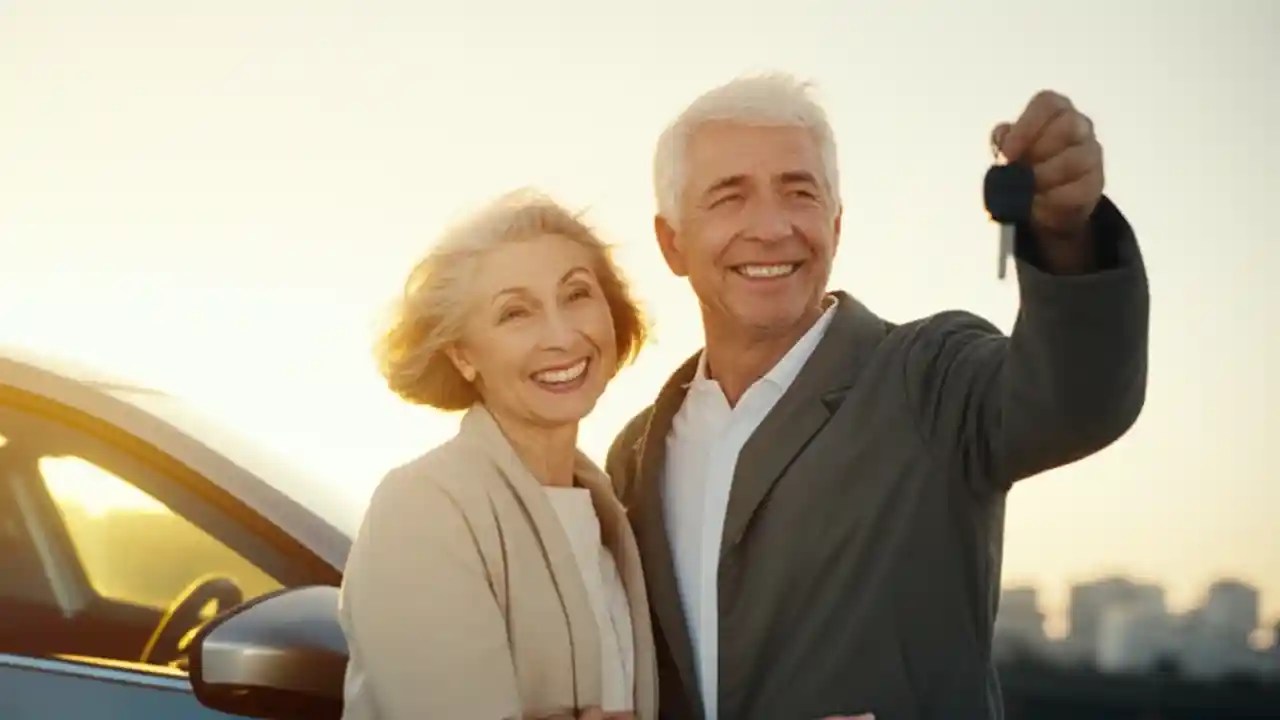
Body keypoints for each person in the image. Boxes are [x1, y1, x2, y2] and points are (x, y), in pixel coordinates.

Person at [606, 74, 1150, 719]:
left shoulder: (931, 377)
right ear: (673, 243)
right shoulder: (635, 455)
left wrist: (1067, 236)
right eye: (729, 198)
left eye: (799, 192)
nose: (772, 227)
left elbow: (1078, 400)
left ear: (835, 225)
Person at [339, 190, 657, 719]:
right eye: (515, 313)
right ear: (463, 355)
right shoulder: (422, 508)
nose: (561, 335)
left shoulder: (609, 510)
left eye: (576, 295)